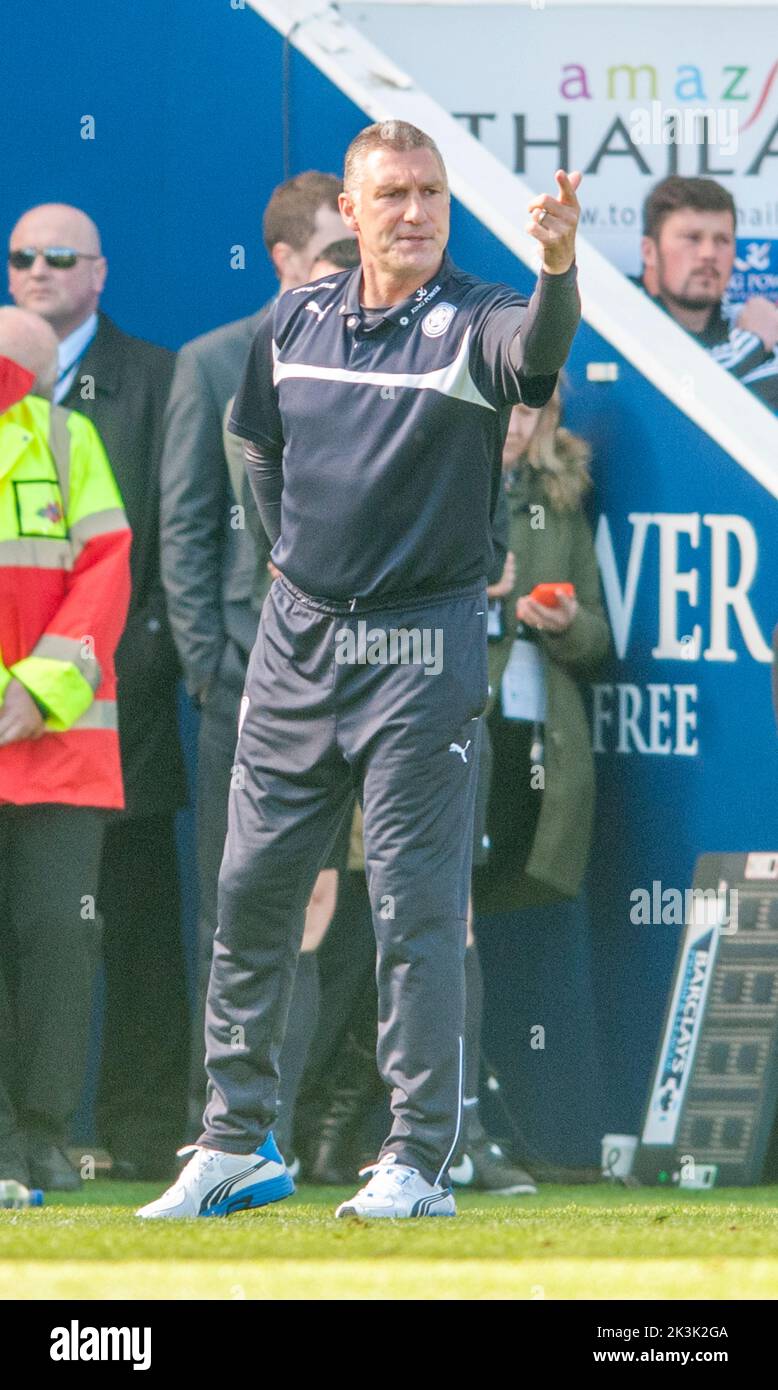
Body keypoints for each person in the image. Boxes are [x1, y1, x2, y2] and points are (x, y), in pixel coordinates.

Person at [139, 118, 581, 1222]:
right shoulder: (290, 318)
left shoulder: (478, 316)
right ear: (350, 210)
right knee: (248, 897)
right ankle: (235, 1142)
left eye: (430, 191)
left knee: (415, 910)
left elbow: (537, 354)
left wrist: (558, 268)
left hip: (420, 651)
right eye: (391, 194)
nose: (415, 211)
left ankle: (416, 1159)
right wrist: (289, 558)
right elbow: (255, 444)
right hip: (296, 649)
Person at [160, 173, 352, 1152]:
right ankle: (227, 1135)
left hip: (363, 680)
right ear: (282, 260)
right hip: (248, 688)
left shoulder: (388, 353)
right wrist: (212, 675)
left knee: (331, 915)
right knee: (240, 914)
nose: (354, 272)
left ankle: (284, 1131)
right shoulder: (214, 361)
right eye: (333, 252)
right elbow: (184, 535)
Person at [7, 203, 188, 1181]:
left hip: (110, 711)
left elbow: (156, 548)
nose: (37, 270)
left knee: (111, 930)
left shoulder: (145, 387)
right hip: (36, 728)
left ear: (99, 271)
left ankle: (132, 1123)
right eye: (21, 257)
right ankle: (25, 1132)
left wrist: (85, 674)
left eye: (58, 256)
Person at [0, 307, 131, 1190]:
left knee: (56, 943)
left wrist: (39, 690)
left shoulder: (66, 437)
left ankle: (42, 1135)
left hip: (58, 748)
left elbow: (109, 566)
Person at [636, 175, 778, 411]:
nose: (708, 253)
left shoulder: (756, 322)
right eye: (692, 238)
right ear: (649, 251)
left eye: (722, 240)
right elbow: (667, 394)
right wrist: (753, 344)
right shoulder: (621, 319)